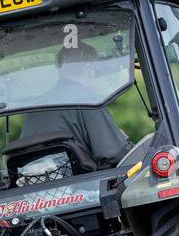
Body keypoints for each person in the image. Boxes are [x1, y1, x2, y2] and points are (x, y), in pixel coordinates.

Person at [16, 40, 132, 168]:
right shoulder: (90, 101)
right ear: (89, 67)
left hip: (38, 183)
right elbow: (114, 153)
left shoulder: (36, 107)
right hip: (83, 185)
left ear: (60, 70)